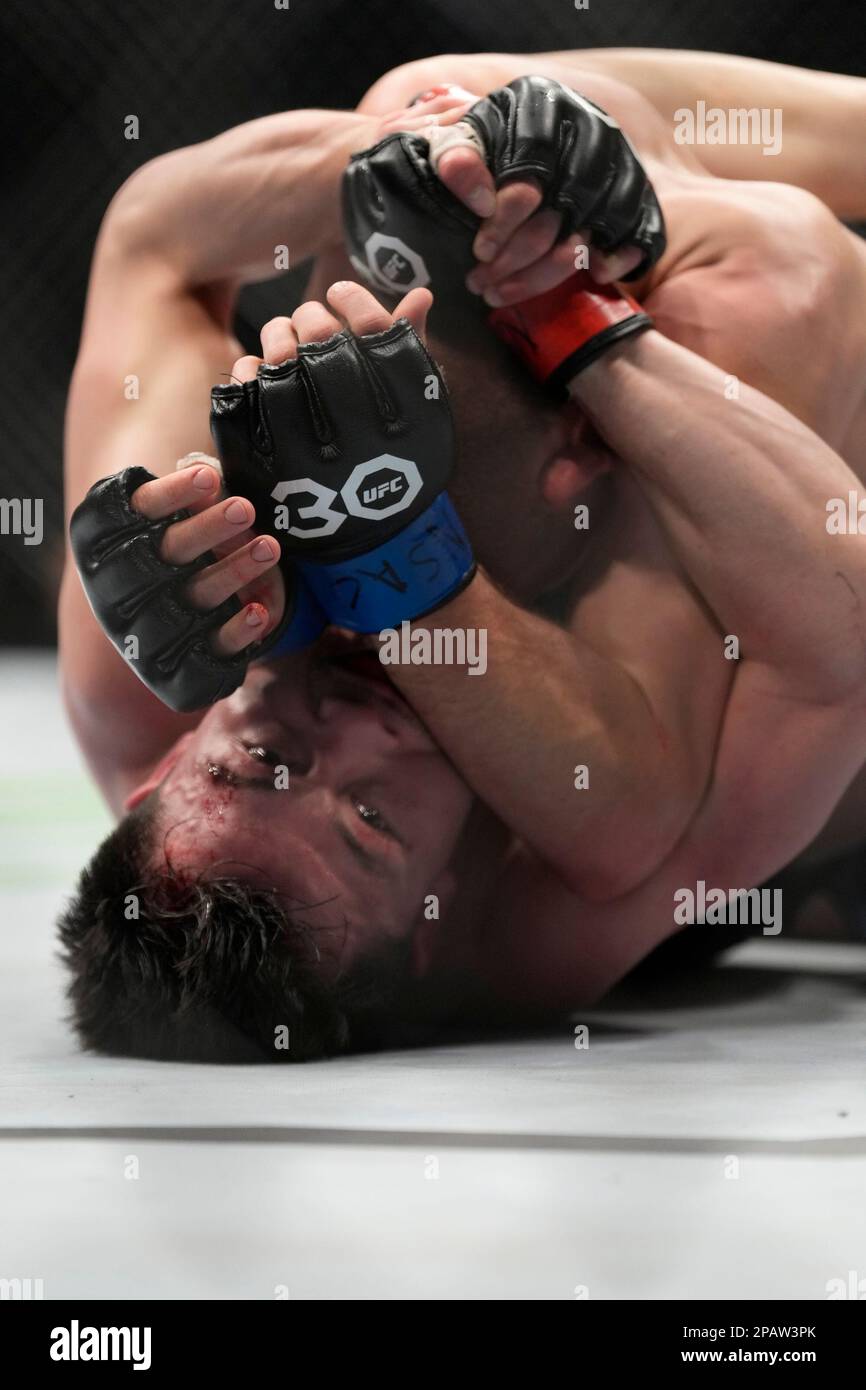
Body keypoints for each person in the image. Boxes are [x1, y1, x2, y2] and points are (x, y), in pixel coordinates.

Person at [58, 50, 866, 1061]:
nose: (352, 731)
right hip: (818, 794)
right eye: (369, 819)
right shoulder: (554, 906)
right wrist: (565, 311)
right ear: (438, 914)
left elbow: (149, 242)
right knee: (737, 294)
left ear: (162, 771)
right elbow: (803, 279)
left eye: (264, 760)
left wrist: (407, 159)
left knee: (441, 118)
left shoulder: (135, 663)